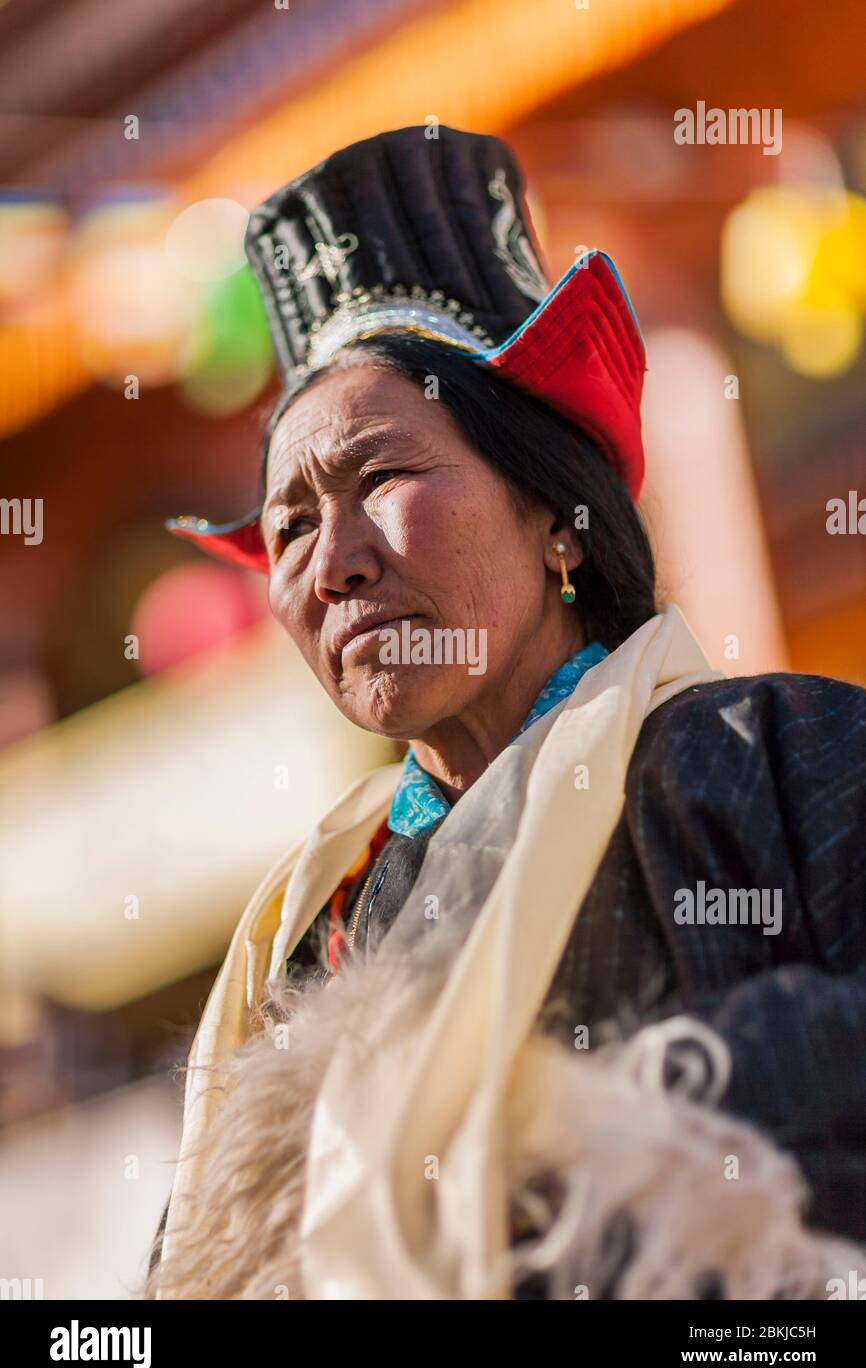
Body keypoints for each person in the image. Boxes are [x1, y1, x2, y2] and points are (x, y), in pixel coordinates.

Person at [145, 125, 866, 1301]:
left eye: (380, 477)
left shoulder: (778, 758)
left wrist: (579, 1162)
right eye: (287, 527)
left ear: (554, 513)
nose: (332, 563)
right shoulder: (304, 937)